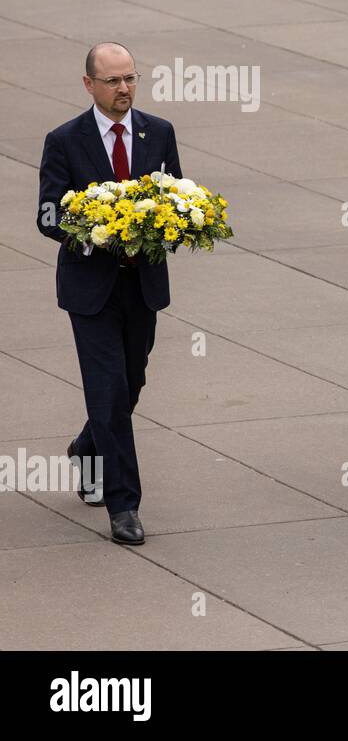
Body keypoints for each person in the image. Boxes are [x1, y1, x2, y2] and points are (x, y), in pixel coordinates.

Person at [37, 42, 183, 545]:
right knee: (109, 391)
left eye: (130, 79)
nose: (124, 89)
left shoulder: (158, 132)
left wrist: (180, 222)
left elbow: (178, 195)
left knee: (132, 380)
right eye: (113, 81)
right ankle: (124, 504)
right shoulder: (64, 140)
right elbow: (48, 214)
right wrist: (92, 229)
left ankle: (86, 446)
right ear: (89, 85)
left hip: (141, 286)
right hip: (90, 290)